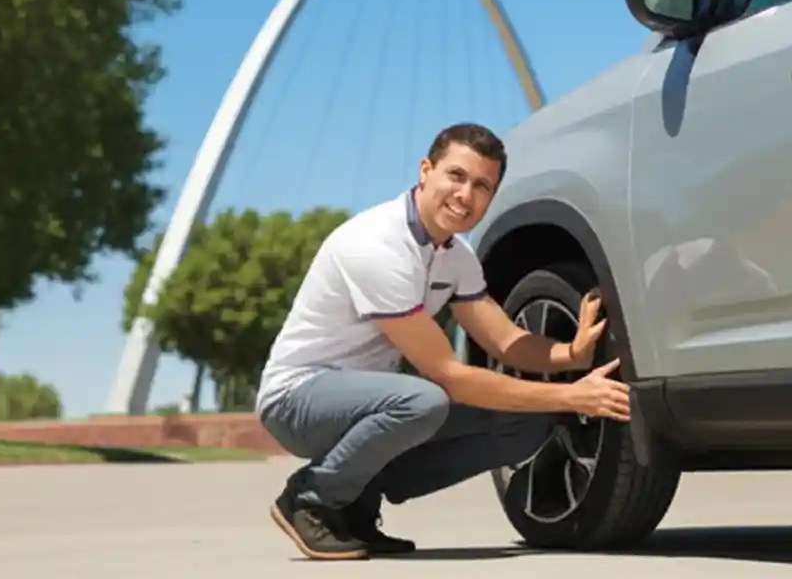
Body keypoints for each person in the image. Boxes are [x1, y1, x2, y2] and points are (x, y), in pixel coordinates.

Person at [254, 122, 632, 561]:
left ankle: (357, 499)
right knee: (423, 401)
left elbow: (506, 340)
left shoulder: (455, 256)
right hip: (297, 399)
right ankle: (311, 498)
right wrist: (572, 395)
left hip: (366, 403)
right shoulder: (377, 245)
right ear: (425, 170)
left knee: (527, 424)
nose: (465, 195)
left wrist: (571, 353)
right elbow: (450, 376)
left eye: (482, 186)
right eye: (456, 176)